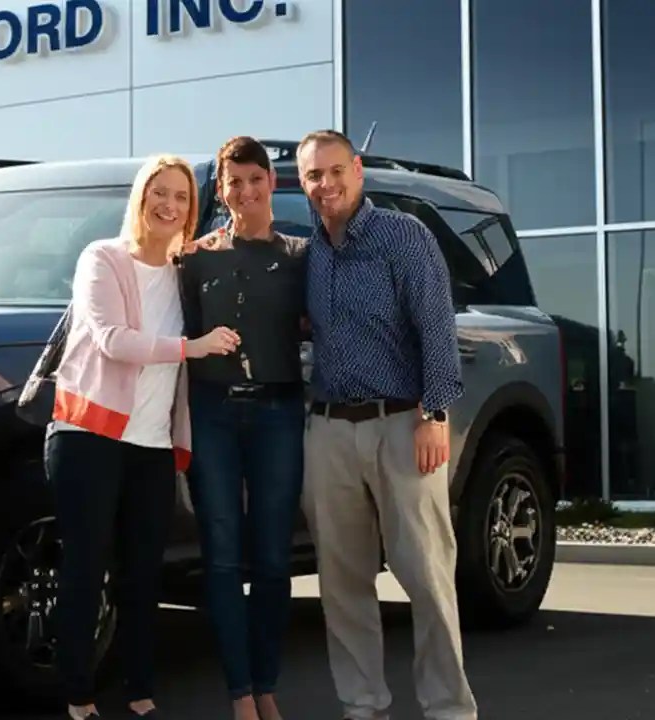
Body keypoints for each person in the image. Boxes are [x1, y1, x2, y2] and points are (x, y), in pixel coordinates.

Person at [294, 129, 478, 720]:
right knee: (342, 583)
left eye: (334, 171)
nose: (325, 185)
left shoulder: (404, 236)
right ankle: (362, 703)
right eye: (312, 176)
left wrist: (435, 413)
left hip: (403, 423)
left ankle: (448, 707)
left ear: (358, 170)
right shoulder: (311, 252)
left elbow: (437, 328)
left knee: (427, 577)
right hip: (327, 431)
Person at [47, 154, 239, 720]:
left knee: (141, 577)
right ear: (140, 197)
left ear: (191, 209)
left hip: (153, 446)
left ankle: (140, 694)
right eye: (160, 192)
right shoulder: (102, 258)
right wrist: (191, 347)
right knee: (85, 571)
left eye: (181, 197)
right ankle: (79, 699)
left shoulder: (185, 274)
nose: (169, 205)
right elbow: (113, 339)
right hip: (89, 437)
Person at [176, 136, 308, 720]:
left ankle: (267, 685)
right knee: (224, 555)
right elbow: (173, 336)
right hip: (213, 413)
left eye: (255, 179)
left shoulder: (303, 256)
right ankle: (239, 695)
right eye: (234, 183)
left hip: (278, 412)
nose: (245, 192)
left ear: (272, 182)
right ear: (220, 190)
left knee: (274, 557)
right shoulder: (196, 258)